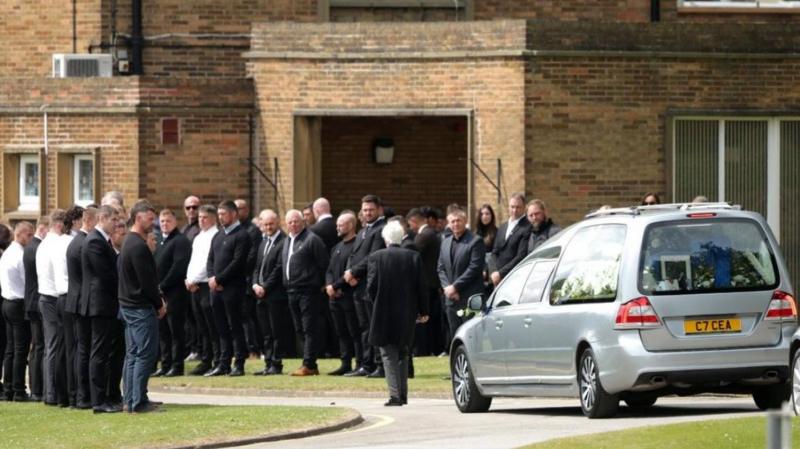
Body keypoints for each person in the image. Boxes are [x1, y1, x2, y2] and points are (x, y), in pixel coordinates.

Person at [367, 221, 429, 406]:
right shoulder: (413, 257)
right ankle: (402, 395)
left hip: (383, 311)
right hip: (407, 312)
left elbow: (371, 288)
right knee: (403, 352)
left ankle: (395, 395)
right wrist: (423, 311)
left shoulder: (376, 257)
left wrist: (376, 302)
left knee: (387, 353)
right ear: (401, 237)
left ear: (386, 238)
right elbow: (421, 288)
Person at [268, 209, 329, 376]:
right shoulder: (288, 240)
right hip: (291, 290)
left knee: (309, 327)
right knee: (299, 328)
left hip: (307, 290)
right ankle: (311, 363)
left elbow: (323, 263)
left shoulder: (312, 239)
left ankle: (308, 364)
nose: (293, 224)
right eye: (290, 222)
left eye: (296, 221)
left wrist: (317, 283)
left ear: (303, 222)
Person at [119, 200, 166, 414]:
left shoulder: (129, 242)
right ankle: (137, 402)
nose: (153, 223)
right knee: (144, 354)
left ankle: (132, 399)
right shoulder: (137, 246)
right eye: (149, 218)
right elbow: (146, 281)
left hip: (130, 307)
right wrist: (159, 304)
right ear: (138, 218)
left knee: (133, 354)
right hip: (139, 308)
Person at [81, 205, 122, 413]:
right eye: (114, 220)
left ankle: (107, 395)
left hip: (105, 303)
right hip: (100, 304)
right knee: (99, 352)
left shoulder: (102, 240)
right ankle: (98, 400)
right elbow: (105, 274)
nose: (116, 224)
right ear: (103, 218)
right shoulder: (95, 241)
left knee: (105, 351)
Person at [343, 195, 387, 378]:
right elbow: (353, 255)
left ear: (379, 210)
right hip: (357, 286)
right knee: (363, 327)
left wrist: (353, 272)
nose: (368, 213)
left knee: (373, 327)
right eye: (365, 210)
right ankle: (365, 364)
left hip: (370, 285)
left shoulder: (380, 230)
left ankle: (379, 365)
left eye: (371, 210)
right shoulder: (362, 231)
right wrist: (349, 273)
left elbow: (373, 257)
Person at [206, 200, 251, 377]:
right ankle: (223, 363)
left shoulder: (242, 235)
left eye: (223, 214)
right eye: (219, 214)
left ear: (234, 214)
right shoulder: (218, 236)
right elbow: (210, 259)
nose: (220, 217)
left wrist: (219, 278)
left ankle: (239, 363)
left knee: (235, 325)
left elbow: (238, 263)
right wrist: (211, 277)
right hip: (215, 289)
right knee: (221, 327)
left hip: (233, 288)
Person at [251, 209, 291, 375]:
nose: (268, 227)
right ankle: (267, 363)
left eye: (271, 224)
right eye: (265, 224)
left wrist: (265, 286)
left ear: (278, 223)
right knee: (265, 332)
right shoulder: (263, 242)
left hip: (275, 294)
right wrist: (255, 284)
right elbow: (257, 267)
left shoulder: (284, 241)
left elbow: (279, 268)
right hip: (260, 294)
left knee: (276, 332)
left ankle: (276, 363)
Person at [36, 209, 69, 407]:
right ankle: (51, 392)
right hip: (52, 298)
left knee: (50, 347)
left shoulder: (43, 244)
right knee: (54, 346)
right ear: (59, 225)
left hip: (45, 296)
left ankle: (49, 391)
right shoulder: (56, 243)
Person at [438, 207, 486, 340]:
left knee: (472, 337)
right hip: (451, 300)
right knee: (455, 336)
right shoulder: (445, 242)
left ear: (465, 221)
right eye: (452, 221)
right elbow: (440, 268)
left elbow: (474, 268)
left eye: (458, 221)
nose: (455, 224)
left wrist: (455, 287)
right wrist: (448, 288)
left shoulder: (475, 241)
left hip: (469, 298)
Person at [66, 206, 97, 409]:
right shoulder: (84, 243)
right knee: (84, 350)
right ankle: (83, 395)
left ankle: (80, 394)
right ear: (90, 221)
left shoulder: (75, 241)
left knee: (81, 350)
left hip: (75, 300)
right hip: (81, 302)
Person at [153, 209, 191, 377]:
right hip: (160, 294)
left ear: (175, 222)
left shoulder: (180, 241)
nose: (165, 224)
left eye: (168, 221)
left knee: (175, 330)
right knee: (163, 331)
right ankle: (165, 363)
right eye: (162, 221)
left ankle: (177, 365)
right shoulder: (159, 240)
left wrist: (163, 284)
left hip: (174, 293)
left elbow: (178, 267)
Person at [325, 211, 361, 376]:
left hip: (348, 296)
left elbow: (350, 271)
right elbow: (330, 270)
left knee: (354, 331)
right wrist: (329, 286)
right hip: (334, 297)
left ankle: (360, 362)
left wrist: (337, 286)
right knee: (341, 332)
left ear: (351, 225)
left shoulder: (357, 245)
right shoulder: (336, 247)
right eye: (337, 224)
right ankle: (345, 362)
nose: (337, 227)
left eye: (341, 224)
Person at [184, 205, 219, 376]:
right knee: (201, 326)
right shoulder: (198, 237)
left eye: (205, 217)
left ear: (213, 218)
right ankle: (206, 359)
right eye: (200, 217)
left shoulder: (215, 235)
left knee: (211, 324)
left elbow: (208, 262)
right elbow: (194, 261)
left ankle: (216, 358)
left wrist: (194, 279)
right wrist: (188, 279)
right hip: (194, 285)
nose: (201, 220)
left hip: (205, 284)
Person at [1, 221, 34, 401]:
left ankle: (8, 389)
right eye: (28, 235)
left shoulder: (7, 253)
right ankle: (18, 390)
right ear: (19, 234)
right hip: (18, 303)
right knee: (20, 349)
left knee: (11, 348)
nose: (30, 238)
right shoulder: (19, 255)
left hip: (7, 302)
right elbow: (26, 281)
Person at [406, 208, 444, 356]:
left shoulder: (425, 234)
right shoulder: (427, 233)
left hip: (428, 283)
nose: (411, 228)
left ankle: (423, 349)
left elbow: (412, 252)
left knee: (424, 318)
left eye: (411, 225)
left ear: (415, 221)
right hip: (430, 283)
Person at [235, 198, 263, 359]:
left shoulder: (252, 230)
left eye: (241, 208)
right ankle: (241, 349)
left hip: (245, 280)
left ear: (246, 210)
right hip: (233, 281)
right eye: (236, 208)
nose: (238, 211)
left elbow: (252, 256)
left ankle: (253, 349)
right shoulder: (234, 230)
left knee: (247, 316)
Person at [23, 216, 48, 402]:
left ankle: (37, 387)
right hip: (34, 302)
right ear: (43, 228)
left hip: (31, 301)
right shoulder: (36, 248)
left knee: (37, 347)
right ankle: (37, 388)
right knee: (39, 346)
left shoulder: (31, 247)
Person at [490, 193, 531, 286]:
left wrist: (501, 273)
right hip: (497, 280)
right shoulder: (502, 227)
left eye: (518, 207)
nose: (515, 210)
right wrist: (493, 272)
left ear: (524, 207)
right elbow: (494, 252)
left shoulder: (527, 227)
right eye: (512, 207)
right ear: (508, 207)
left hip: (514, 277)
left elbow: (521, 256)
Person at [180, 195, 202, 363]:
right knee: (188, 318)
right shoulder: (184, 230)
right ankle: (192, 348)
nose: (192, 210)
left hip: (197, 282)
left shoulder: (200, 231)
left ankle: (199, 349)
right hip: (184, 281)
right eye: (188, 207)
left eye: (195, 207)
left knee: (197, 318)